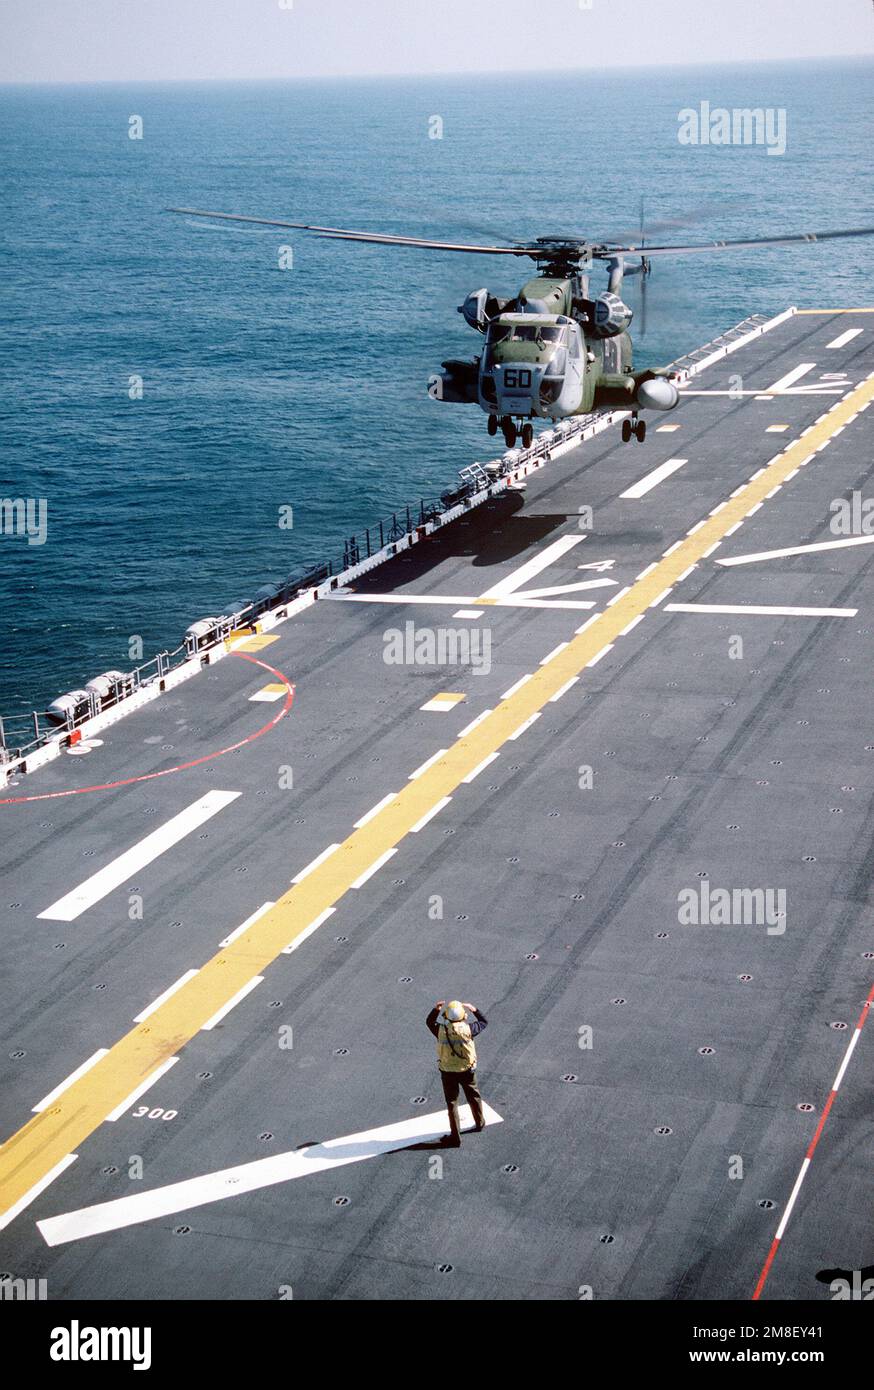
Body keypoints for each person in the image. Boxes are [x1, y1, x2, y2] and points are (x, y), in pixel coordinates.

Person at [425, 999, 488, 1147]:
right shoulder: (468, 1030)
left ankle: (455, 1137)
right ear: (463, 1016)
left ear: (446, 1016)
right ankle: (479, 1122)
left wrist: (436, 1009)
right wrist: (474, 1009)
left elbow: (429, 1022)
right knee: (474, 1096)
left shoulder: (441, 1030)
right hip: (467, 1070)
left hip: (447, 1071)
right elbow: (484, 1022)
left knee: (452, 1103)